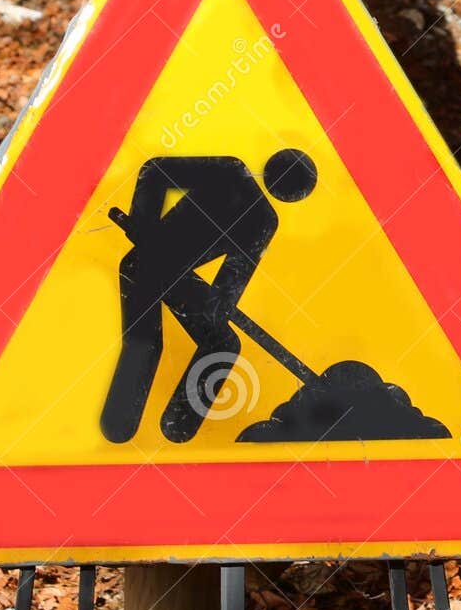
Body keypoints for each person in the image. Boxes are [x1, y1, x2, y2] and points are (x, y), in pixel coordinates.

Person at [101, 150, 317, 445]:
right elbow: (155, 171)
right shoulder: (229, 171)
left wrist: (218, 306)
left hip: (179, 279)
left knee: (223, 342)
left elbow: (232, 281)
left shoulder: (263, 218)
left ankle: (177, 428)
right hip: (143, 265)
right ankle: (118, 426)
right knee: (145, 342)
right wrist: (144, 223)